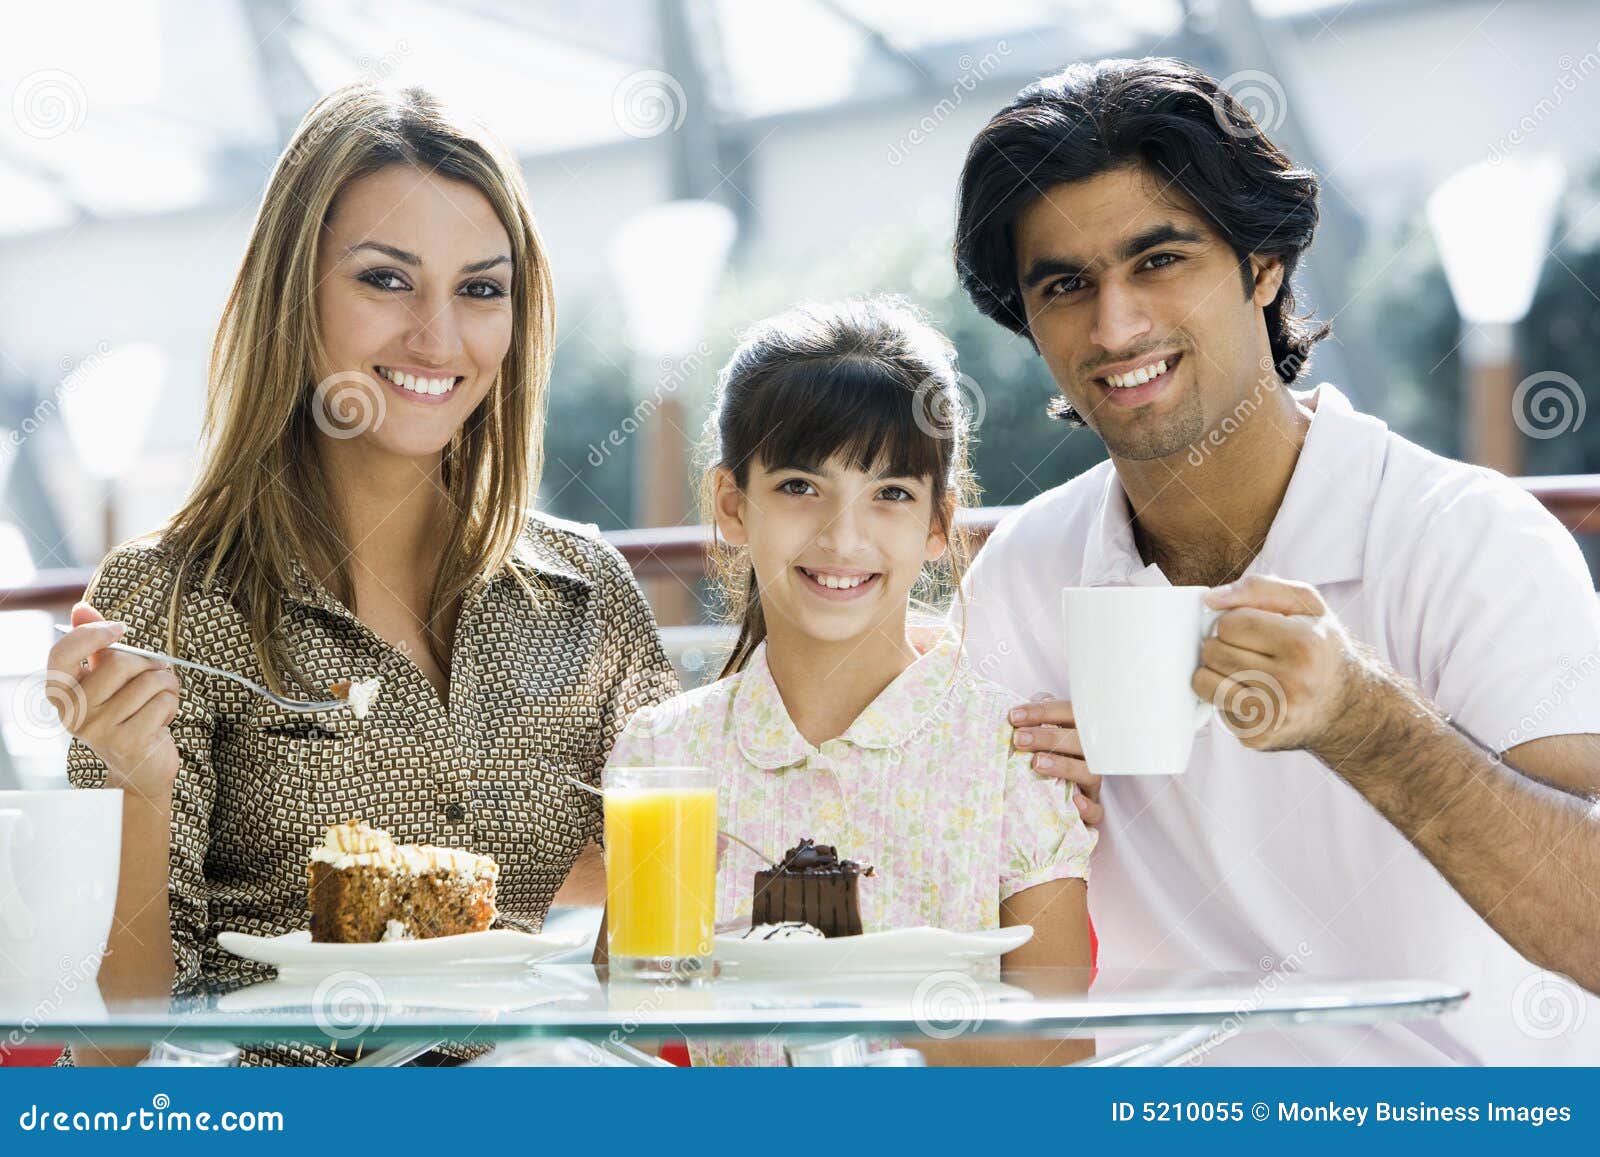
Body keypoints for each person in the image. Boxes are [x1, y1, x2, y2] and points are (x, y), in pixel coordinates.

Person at [953, 57, 1600, 1064]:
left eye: (1158, 260)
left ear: (1262, 266)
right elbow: (999, 1001)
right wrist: (981, 825)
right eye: (1066, 285)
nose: (1116, 325)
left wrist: (1367, 723)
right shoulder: (1021, 575)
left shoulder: (1470, 540)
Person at [45, 83, 673, 1066]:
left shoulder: (586, 595)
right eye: (386, 280)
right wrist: (138, 784)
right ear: (294, 294)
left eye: (480, 290)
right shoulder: (170, 602)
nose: (437, 337)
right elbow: (108, 1053)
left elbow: (659, 938)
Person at [607, 297, 1097, 1065]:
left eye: (891, 493)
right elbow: (620, 1034)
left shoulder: (1010, 755)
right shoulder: (667, 754)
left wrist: (857, 1006)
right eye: (800, 486)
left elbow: (1060, 1054)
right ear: (732, 505)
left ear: (938, 524)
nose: (843, 537)